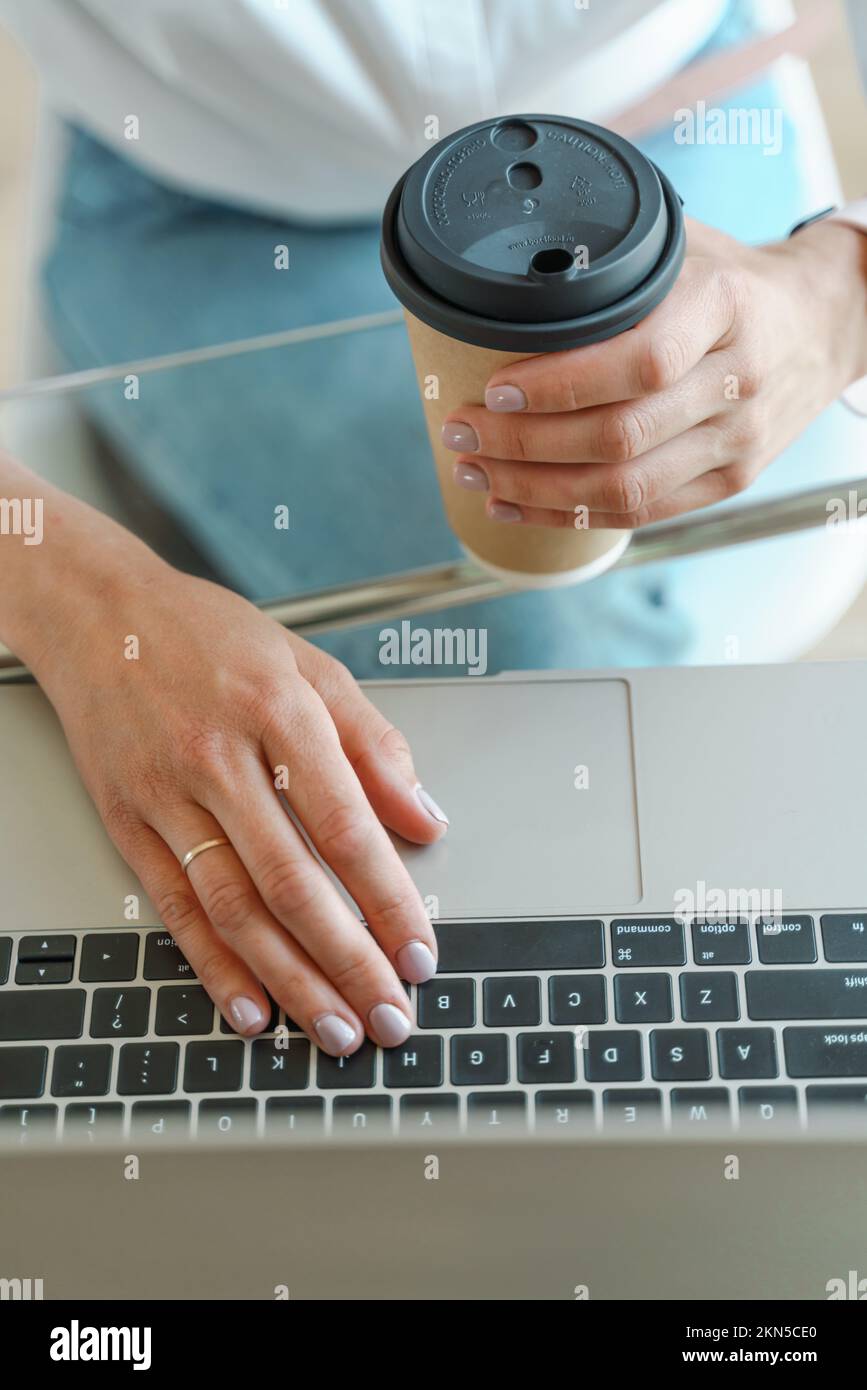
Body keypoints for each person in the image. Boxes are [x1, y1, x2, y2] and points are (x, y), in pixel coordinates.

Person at [2, 0, 867, 1056]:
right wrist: (82, 597)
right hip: (223, 201)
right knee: (545, 677)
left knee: (631, 665)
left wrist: (841, 287)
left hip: (661, 120)